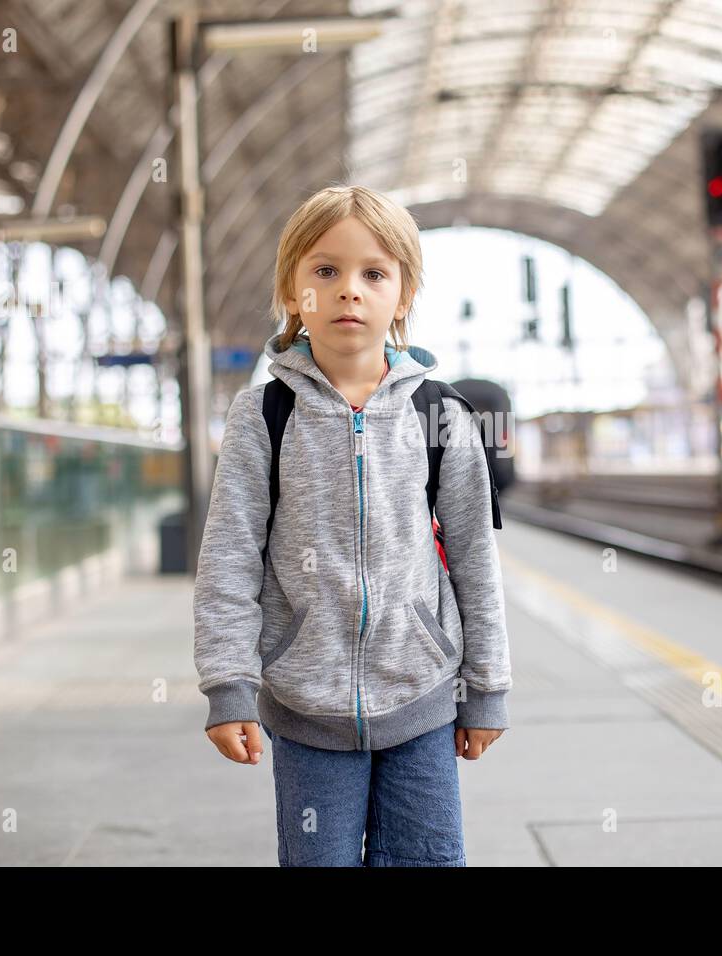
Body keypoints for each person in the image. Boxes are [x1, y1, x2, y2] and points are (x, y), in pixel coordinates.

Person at [192, 183, 512, 866]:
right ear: (292, 290)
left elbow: (475, 559)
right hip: (306, 711)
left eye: (374, 273)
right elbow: (229, 557)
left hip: (423, 697)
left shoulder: (443, 416)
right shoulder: (262, 417)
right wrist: (229, 685)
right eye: (326, 271)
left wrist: (486, 688)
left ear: (403, 294)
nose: (349, 291)